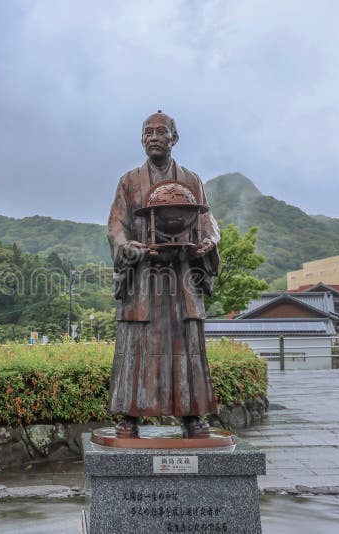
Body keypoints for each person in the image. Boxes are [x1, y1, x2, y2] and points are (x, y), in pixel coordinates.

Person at [107, 110, 220, 438]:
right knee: (137, 342)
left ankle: (192, 415)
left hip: (182, 274)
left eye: (161, 131)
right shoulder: (129, 181)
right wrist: (128, 246)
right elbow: (116, 225)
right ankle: (129, 416)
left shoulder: (192, 180)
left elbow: (207, 221)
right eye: (148, 132)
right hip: (143, 275)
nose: (153, 137)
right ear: (142, 139)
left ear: (175, 137)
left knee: (187, 342)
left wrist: (209, 242)